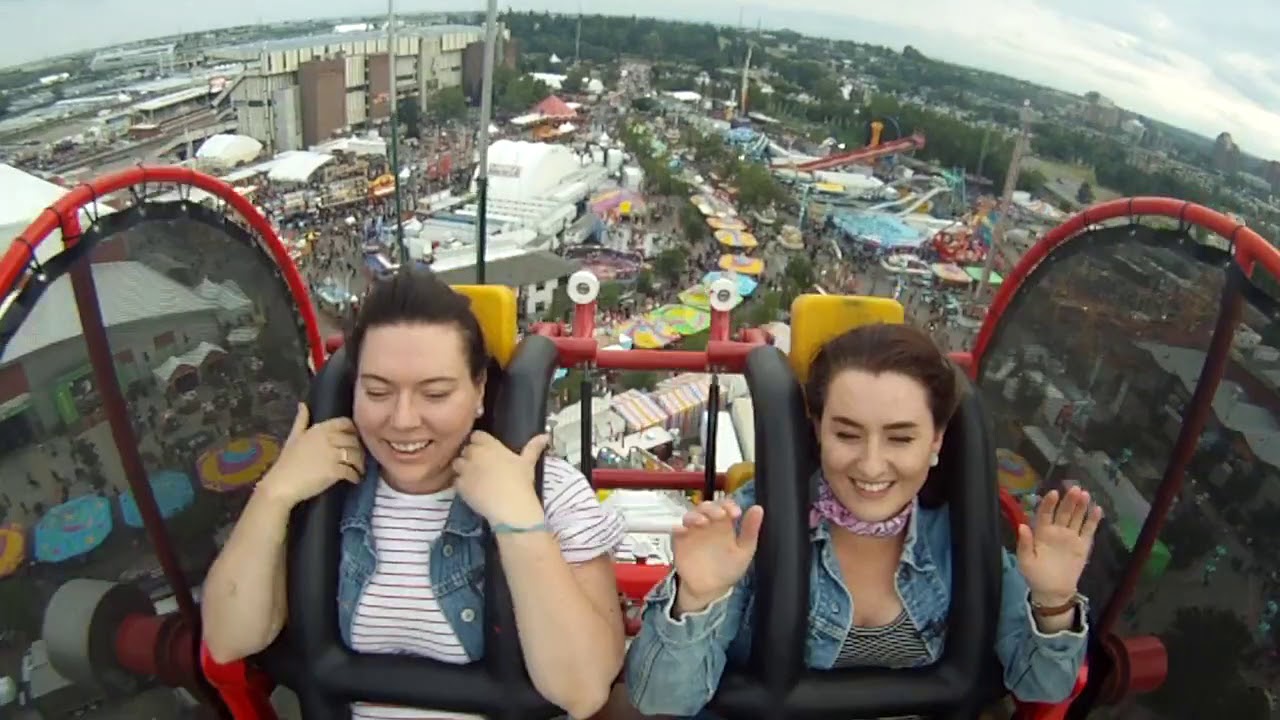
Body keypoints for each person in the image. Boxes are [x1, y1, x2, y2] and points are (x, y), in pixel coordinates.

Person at [203, 269, 627, 719]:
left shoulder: (551, 492)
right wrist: (275, 493)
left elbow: (583, 691)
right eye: (378, 391)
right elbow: (230, 638)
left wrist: (519, 520)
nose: (403, 420)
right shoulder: (324, 492)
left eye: (435, 393)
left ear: (479, 390)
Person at [625, 323, 1100, 716]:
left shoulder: (960, 534)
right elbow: (662, 700)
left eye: (900, 439)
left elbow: (1044, 687)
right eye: (848, 435)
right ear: (817, 430)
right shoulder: (755, 526)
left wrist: (1053, 603)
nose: (871, 466)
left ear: (936, 440)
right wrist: (697, 598)